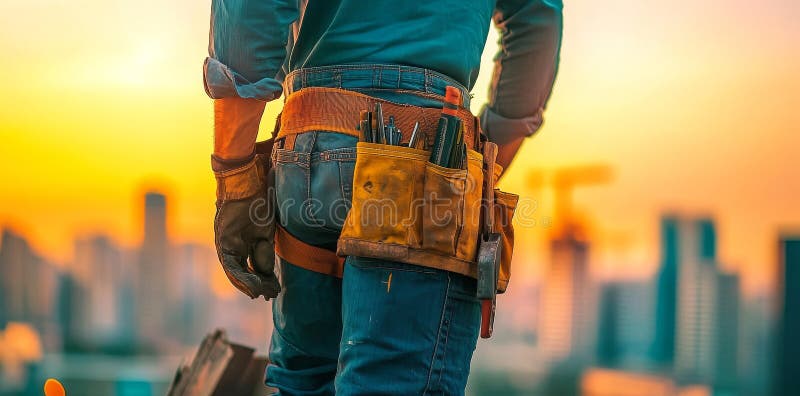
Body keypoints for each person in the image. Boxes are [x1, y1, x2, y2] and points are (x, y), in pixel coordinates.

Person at [206, 1, 562, 394]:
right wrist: (481, 164)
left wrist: (235, 176)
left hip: (309, 152)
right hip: (425, 151)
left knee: (303, 384)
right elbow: (535, 15)